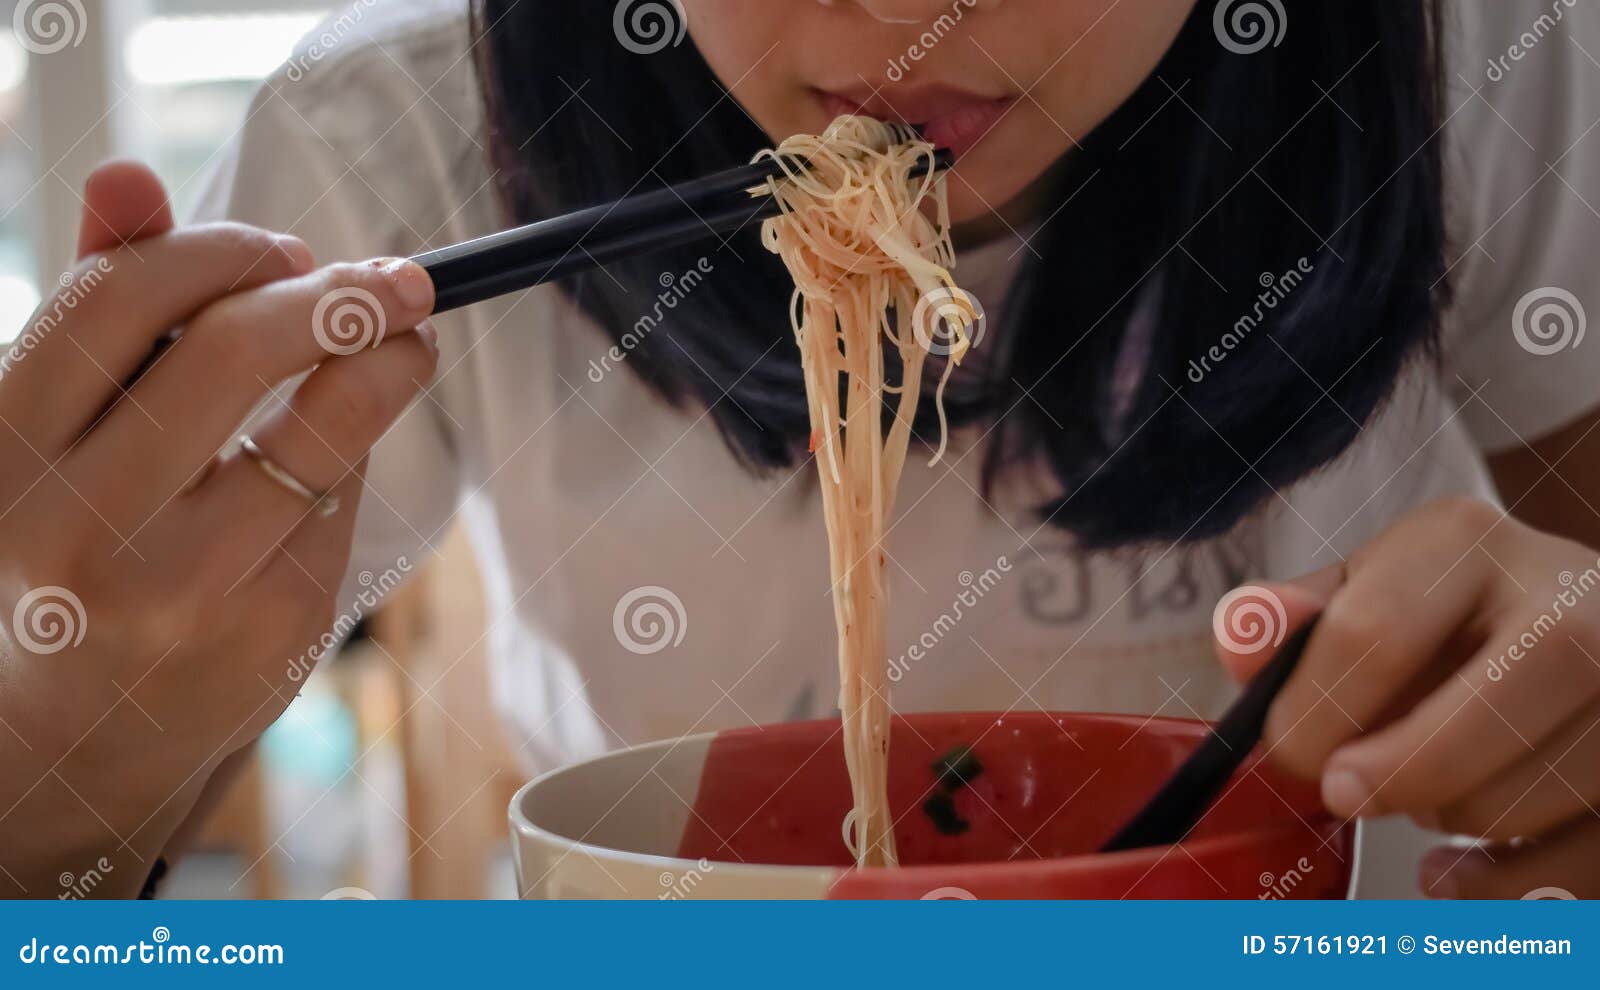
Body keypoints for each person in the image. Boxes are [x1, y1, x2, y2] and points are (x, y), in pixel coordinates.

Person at [2, 0, 1597, 899]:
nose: (906, 17)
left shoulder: (1484, 66)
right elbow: (83, 890)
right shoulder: (395, 143)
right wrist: (61, 784)